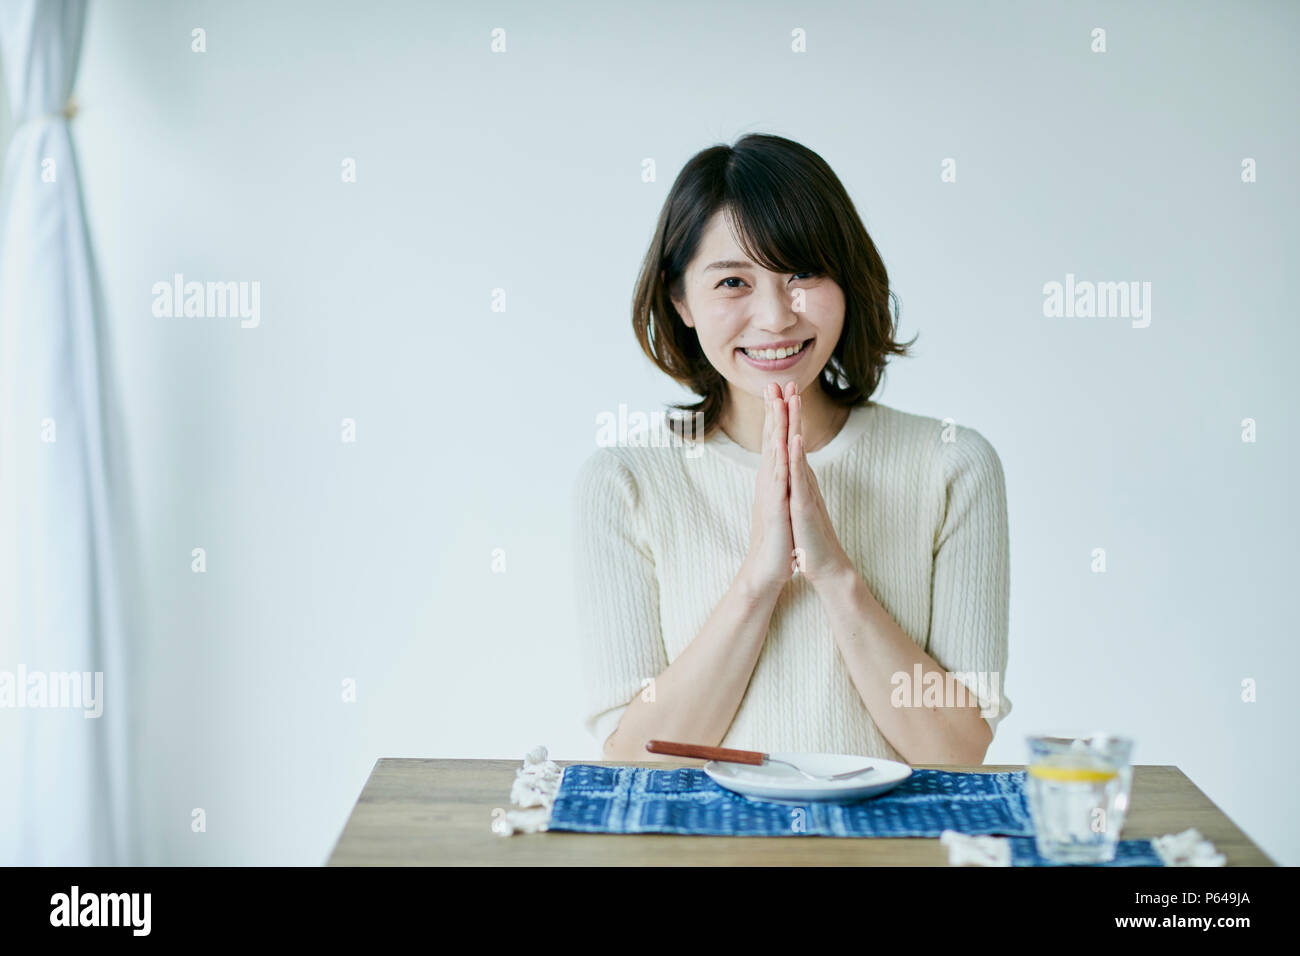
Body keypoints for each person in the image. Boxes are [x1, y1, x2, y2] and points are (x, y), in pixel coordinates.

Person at [572, 133, 1010, 766]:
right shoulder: (624, 482)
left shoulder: (952, 464)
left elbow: (959, 752)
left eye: (802, 273)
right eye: (732, 282)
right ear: (680, 300)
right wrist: (759, 581)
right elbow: (638, 758)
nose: (777, 317)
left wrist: (834, 574)